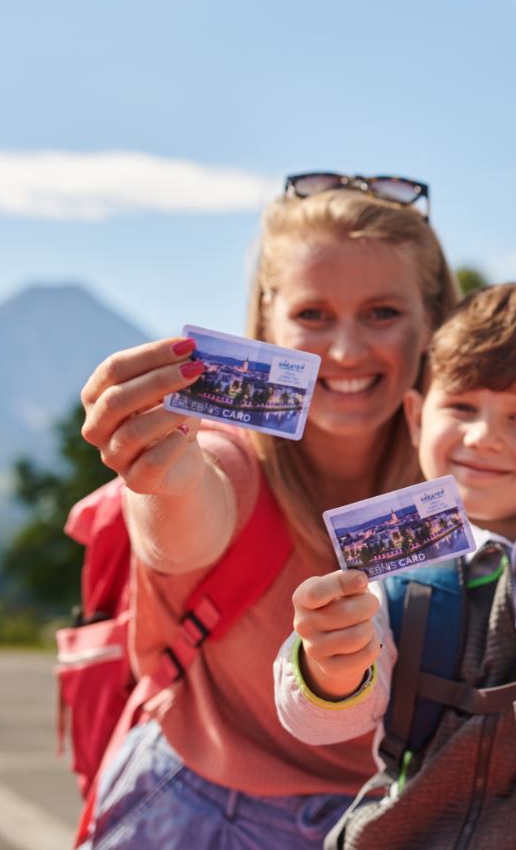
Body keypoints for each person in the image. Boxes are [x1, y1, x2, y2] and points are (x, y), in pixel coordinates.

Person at [77, 178, 458, 848]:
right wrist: (162, 472)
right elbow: (185, 519)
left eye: (381, 313)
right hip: (201, 818)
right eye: (313, 315)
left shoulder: (473, 473)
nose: (343, 350)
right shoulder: (230, 456)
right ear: (266, 323)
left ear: (431, 323)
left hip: (397, 825)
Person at [275, 282, 516, 848]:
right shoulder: (396, 548)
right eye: (460, 407)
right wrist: (328, 665)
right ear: (415, 416)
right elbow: (321, 723)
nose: (482, 438)